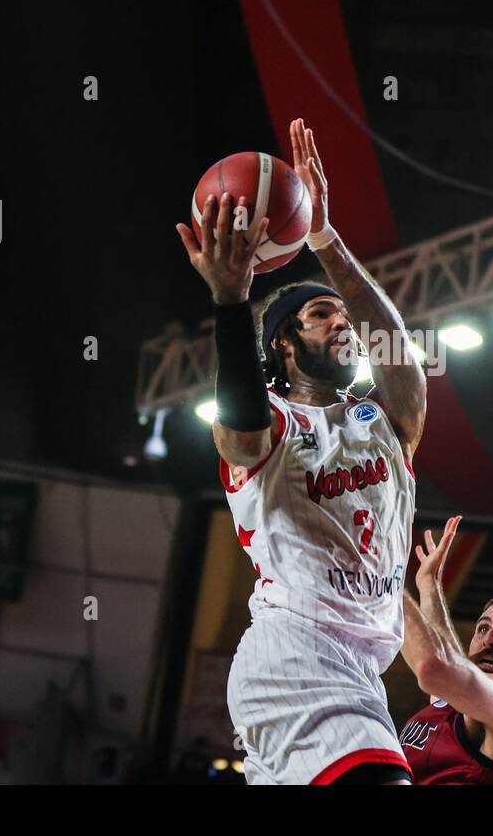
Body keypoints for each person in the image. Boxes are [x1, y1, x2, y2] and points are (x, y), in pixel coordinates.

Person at [177, 119, 425, 785]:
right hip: (296, 658)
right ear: (283, 346)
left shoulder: (381, 419)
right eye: (322, 317)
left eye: (342, 315)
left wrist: (326, 237)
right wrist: (231, 303)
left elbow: (403, 357)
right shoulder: (272, 424)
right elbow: (241, 422)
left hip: (360, 671)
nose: (343, 321)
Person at [398, 516, 493, 783]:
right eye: (483, 628)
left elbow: (435, 667)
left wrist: (386, 577)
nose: (488, 639)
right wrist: (429, 585)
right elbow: (448, 667)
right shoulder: (453, 700)